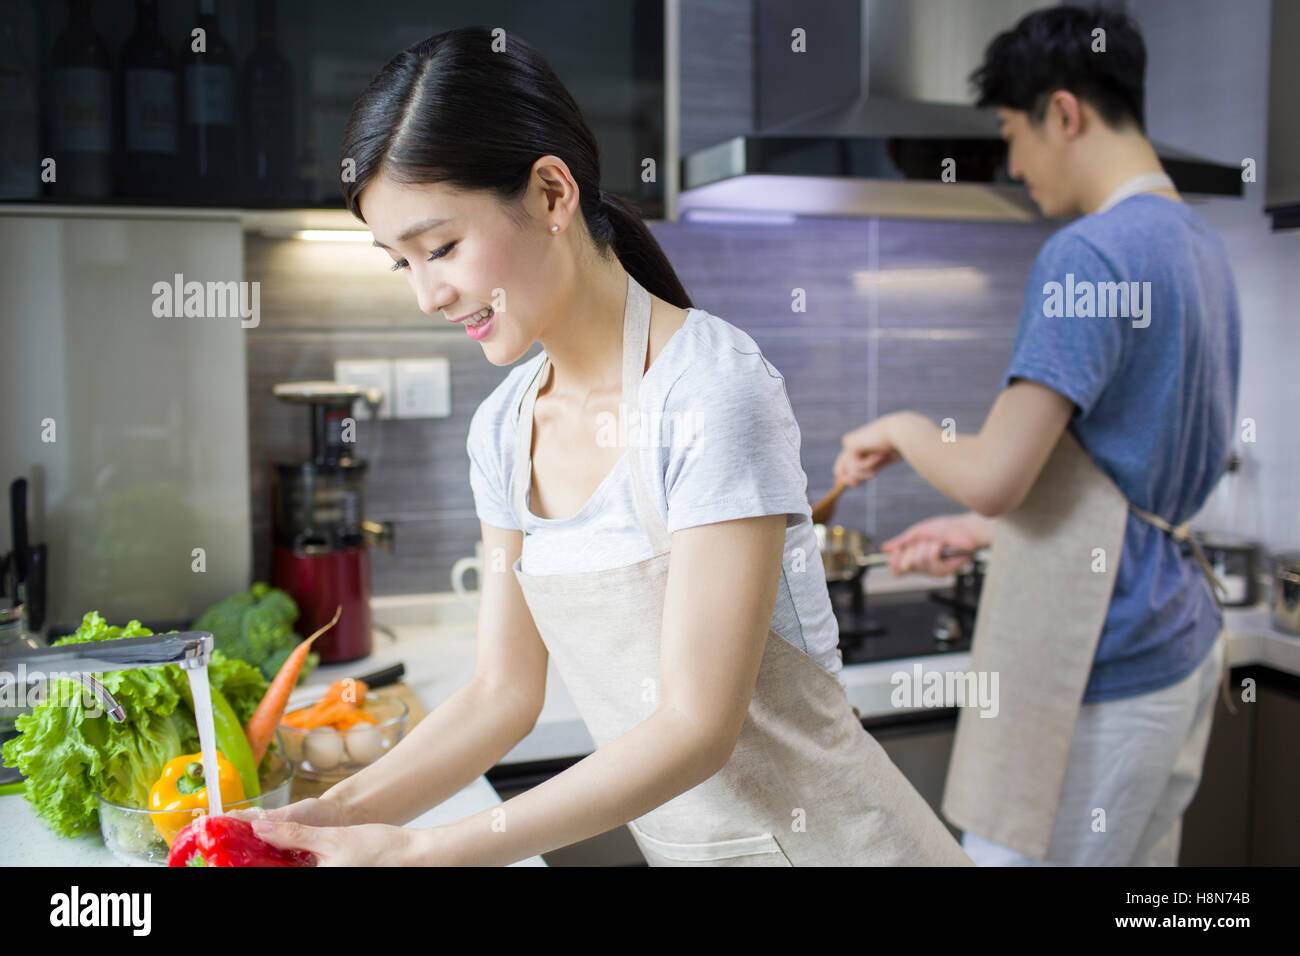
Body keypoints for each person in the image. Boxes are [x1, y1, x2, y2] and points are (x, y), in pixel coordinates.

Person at [233, 26, 971, 867]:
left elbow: (697, 728)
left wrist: (422, 853)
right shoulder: (504, 432)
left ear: (552, 194)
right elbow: (502, 693)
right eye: (399, 262)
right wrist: (321, 820)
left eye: (440, 248)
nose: (428, 294)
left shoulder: (709, 391)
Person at [833, 5, 1240, 867]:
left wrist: (903, 428)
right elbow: (1125, 477)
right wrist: (981, 535)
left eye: (1013, 133)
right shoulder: (1201, 247)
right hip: (1180, 646)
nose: (1013, 165)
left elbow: (996, 477)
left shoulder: (1089, 255)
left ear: (1064, 113)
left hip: (1102, 663)